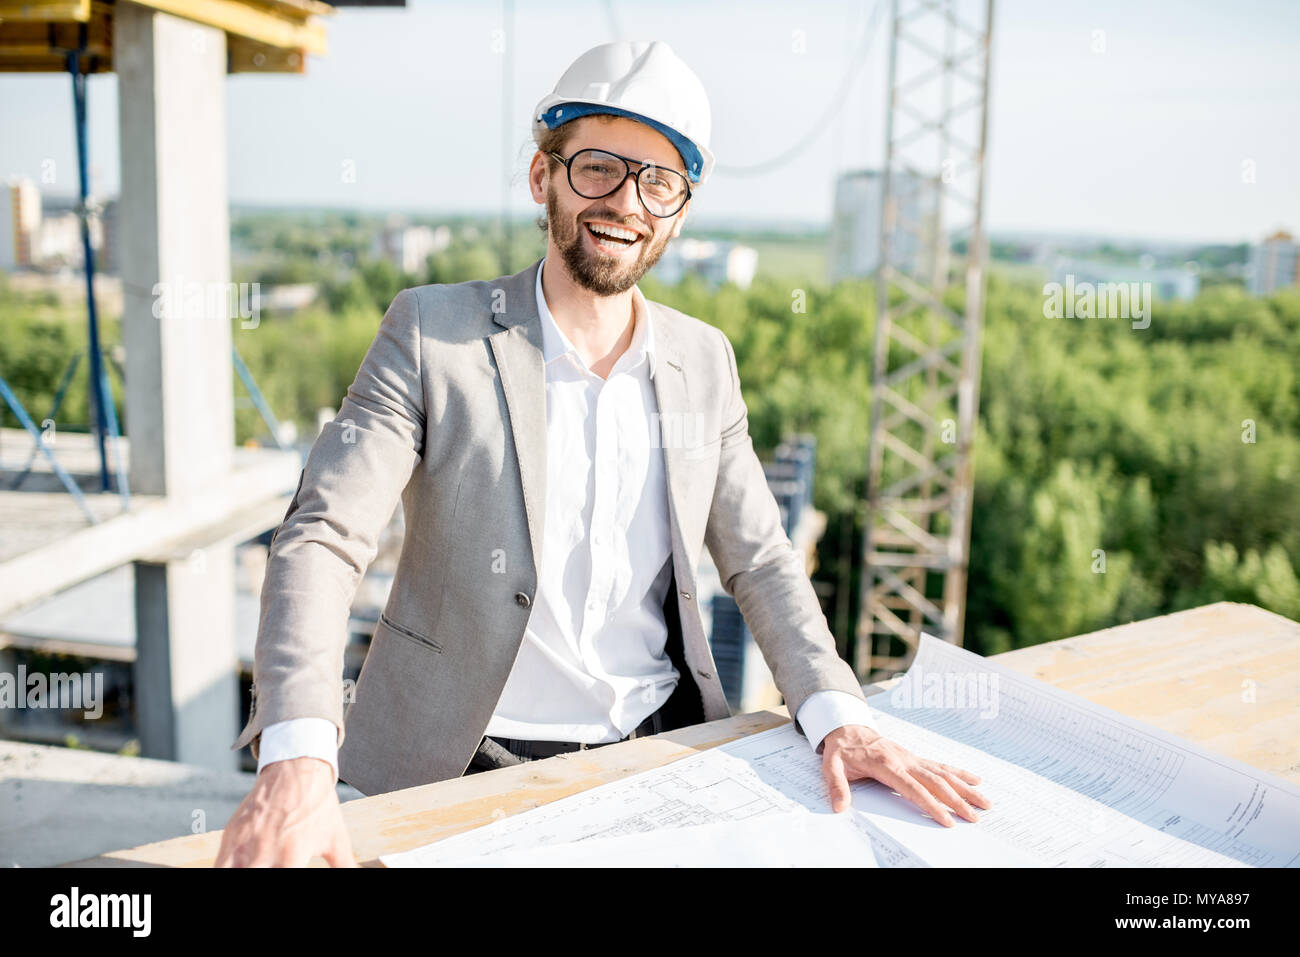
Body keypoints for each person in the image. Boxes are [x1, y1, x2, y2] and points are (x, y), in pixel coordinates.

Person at [215, 40, 989, 868]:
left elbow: (762, 561)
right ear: (542, 179)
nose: (626, 200)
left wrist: (841, 715)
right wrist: (295, 757)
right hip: (464, 762)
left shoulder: (704, 363)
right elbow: (325, 533)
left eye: (658, 181)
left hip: (659, 753)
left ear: (680, 212)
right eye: (598, 168)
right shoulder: (432, 333)